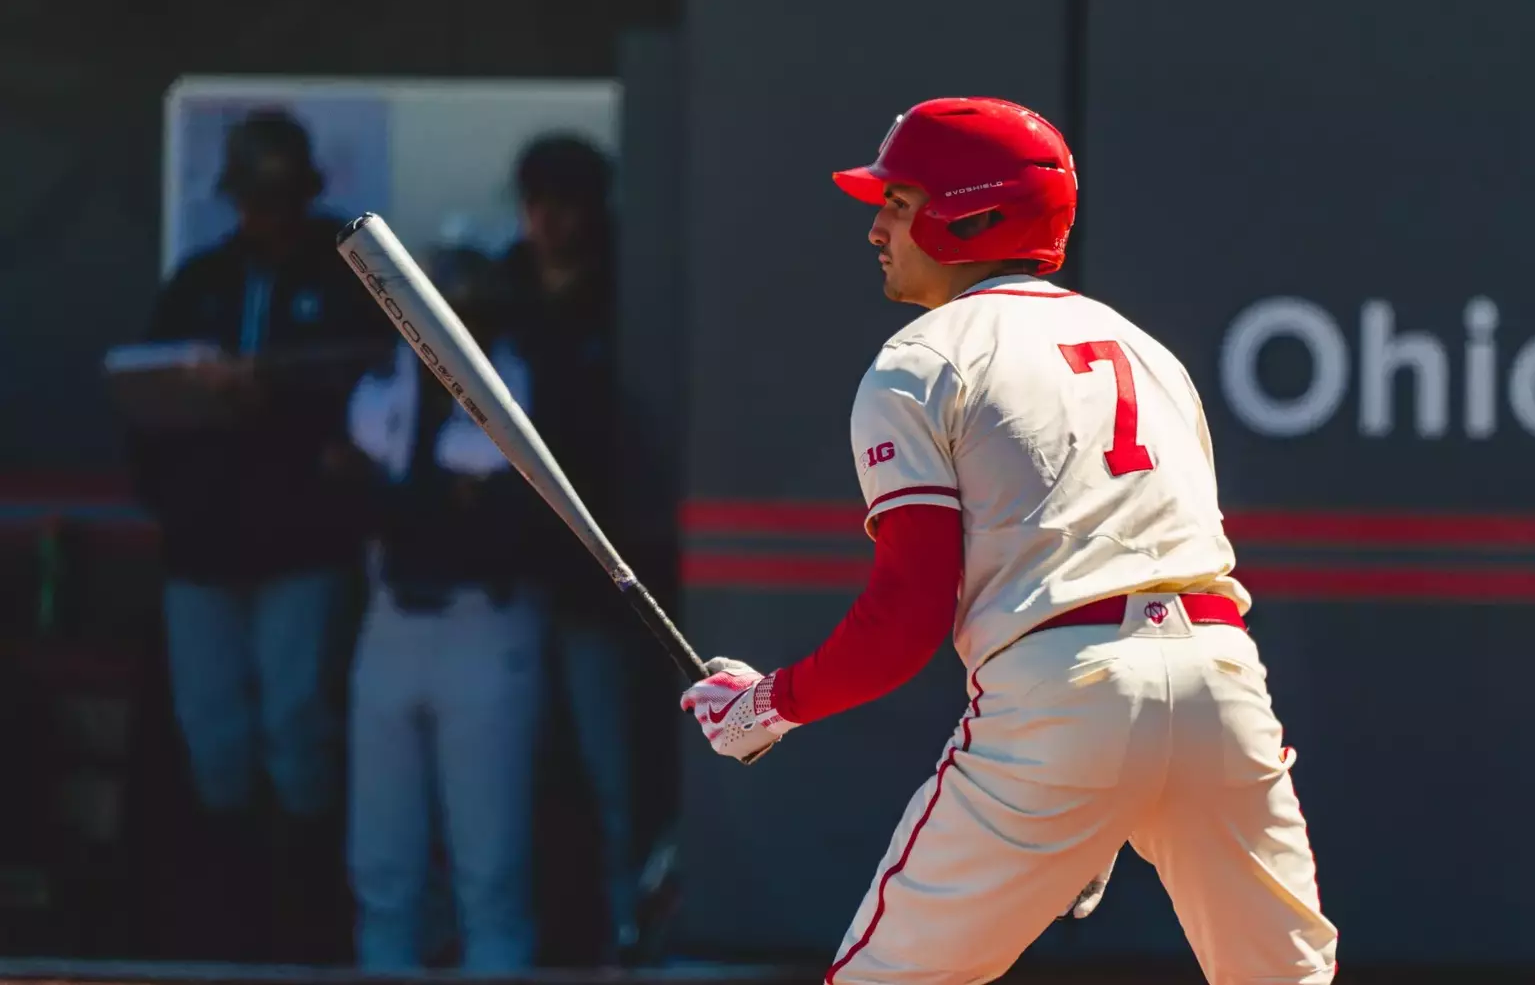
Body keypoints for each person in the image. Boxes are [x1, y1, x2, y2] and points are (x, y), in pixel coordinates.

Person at [679, 97, 1338, 985]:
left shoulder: (921, 359)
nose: (877, 228)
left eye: (900, 204)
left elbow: (907, 617)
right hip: (1223, 686)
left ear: (971, 215)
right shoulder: (1149, 351)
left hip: (1063, 692)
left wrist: (770, 704)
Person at [125, 108, 388, 962]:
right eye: (251, 197)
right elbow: (143, 401)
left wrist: (266, 396)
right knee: (214, 739)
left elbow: (371, 383)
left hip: (301, 549)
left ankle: (302, 932)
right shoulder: (202, 277)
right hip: (201, 552)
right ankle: (223, 931)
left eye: (276, 196)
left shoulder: (342, 270)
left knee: (298, 730)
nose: (262, 213)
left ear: (301, 193)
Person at [343, 238, 546, 973]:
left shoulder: (522, 387)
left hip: (483, 630)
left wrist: (422, 509)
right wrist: (426, 508)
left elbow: (500, 530)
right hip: (391, 624)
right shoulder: (378, 390)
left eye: (464, 314)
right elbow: (354, 505)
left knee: (488, 873)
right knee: (382, 868)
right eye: (428, 315)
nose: (443, 332)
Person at [500, 134, 644, 964]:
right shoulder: (496, 292)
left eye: (564, 202)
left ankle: (623, 941)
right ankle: (511, 943)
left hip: (596, 580)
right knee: (501, 783)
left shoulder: (628, 291)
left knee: (609, 779)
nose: (547, 222)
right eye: (535, 203)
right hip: (497, 582)